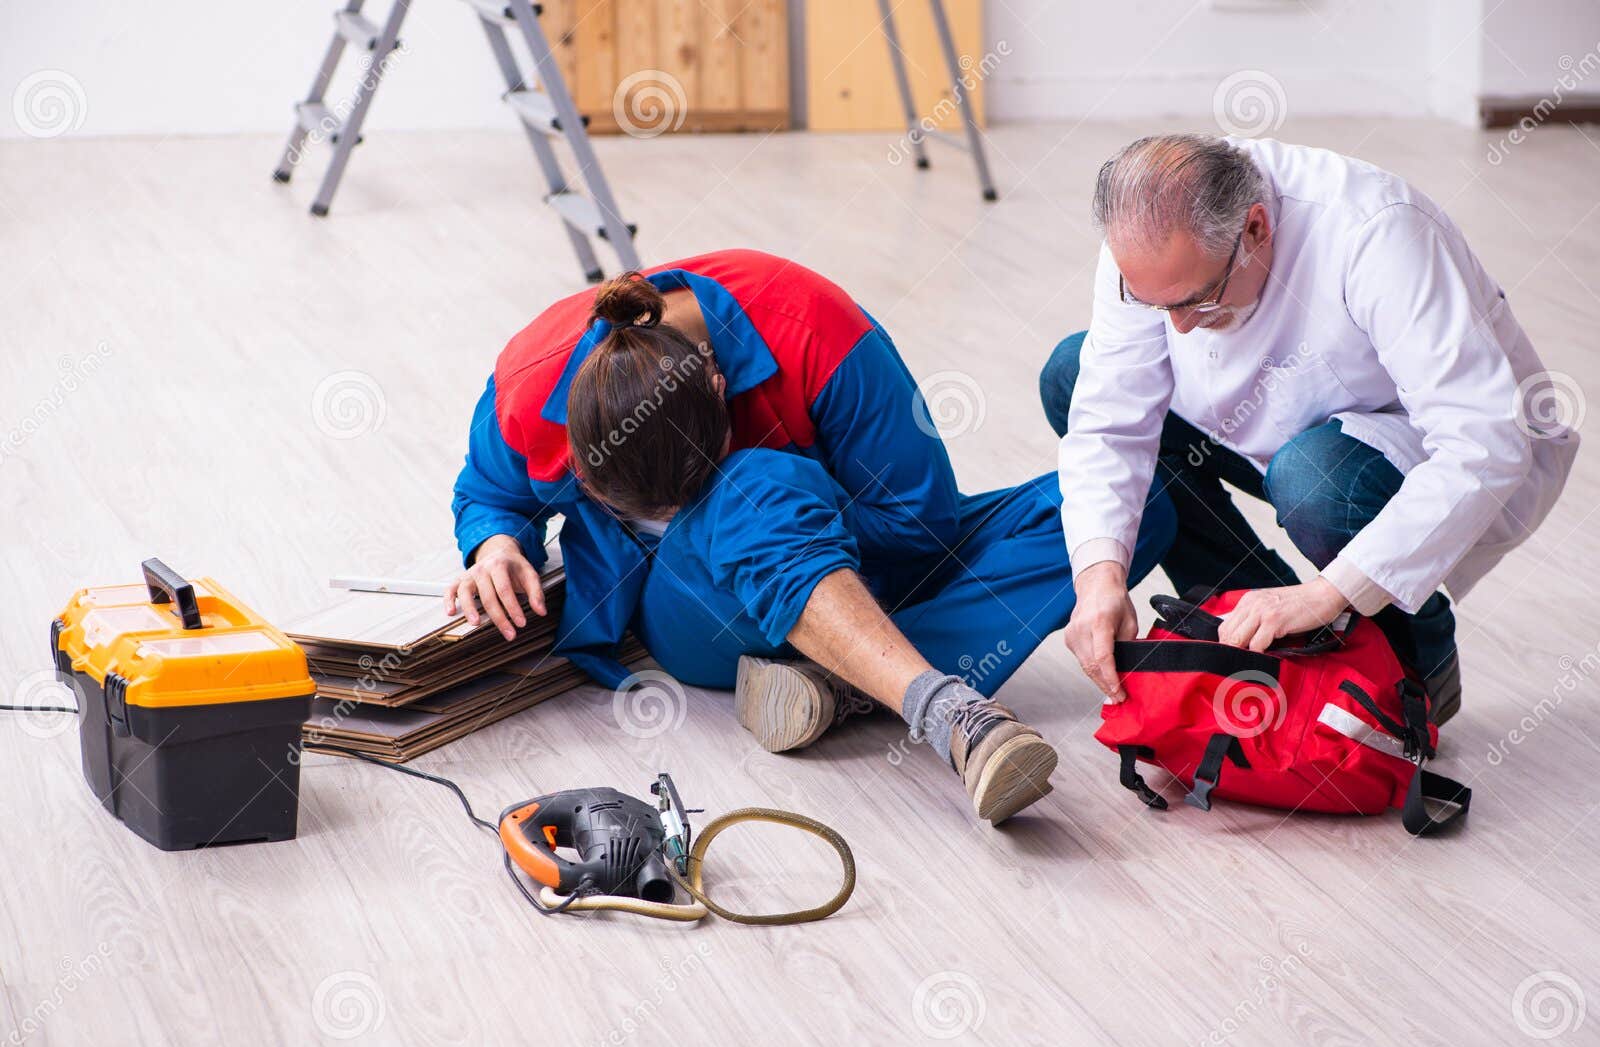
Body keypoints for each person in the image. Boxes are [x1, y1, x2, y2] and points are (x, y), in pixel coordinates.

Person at [449, 250, 1174, 824]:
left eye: (686, 500)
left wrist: (804, 517)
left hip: (860, 561)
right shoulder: (530, 384)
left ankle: (838, 681)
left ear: (720, 387)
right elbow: (488, 494)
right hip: (693, 614)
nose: (670, 518)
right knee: (757, 486)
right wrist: (495, 546)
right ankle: (945, 711)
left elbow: (922, 525)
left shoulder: (815, 330)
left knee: (1131, 506)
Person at [1042, 135, 1578, 723]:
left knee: (1312, 478)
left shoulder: (1376, 231)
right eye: (1156, 307)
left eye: (1200, 300)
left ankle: (1417, 664)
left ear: (1255, 229)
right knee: (1072, 373)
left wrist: (1328, 594)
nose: (1181, 329)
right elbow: (1110, 422)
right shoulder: (1145, 233)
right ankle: (1257, 632)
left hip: (1396, 446)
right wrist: (1099, 578)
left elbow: (1485, 443)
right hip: (1266, 428)